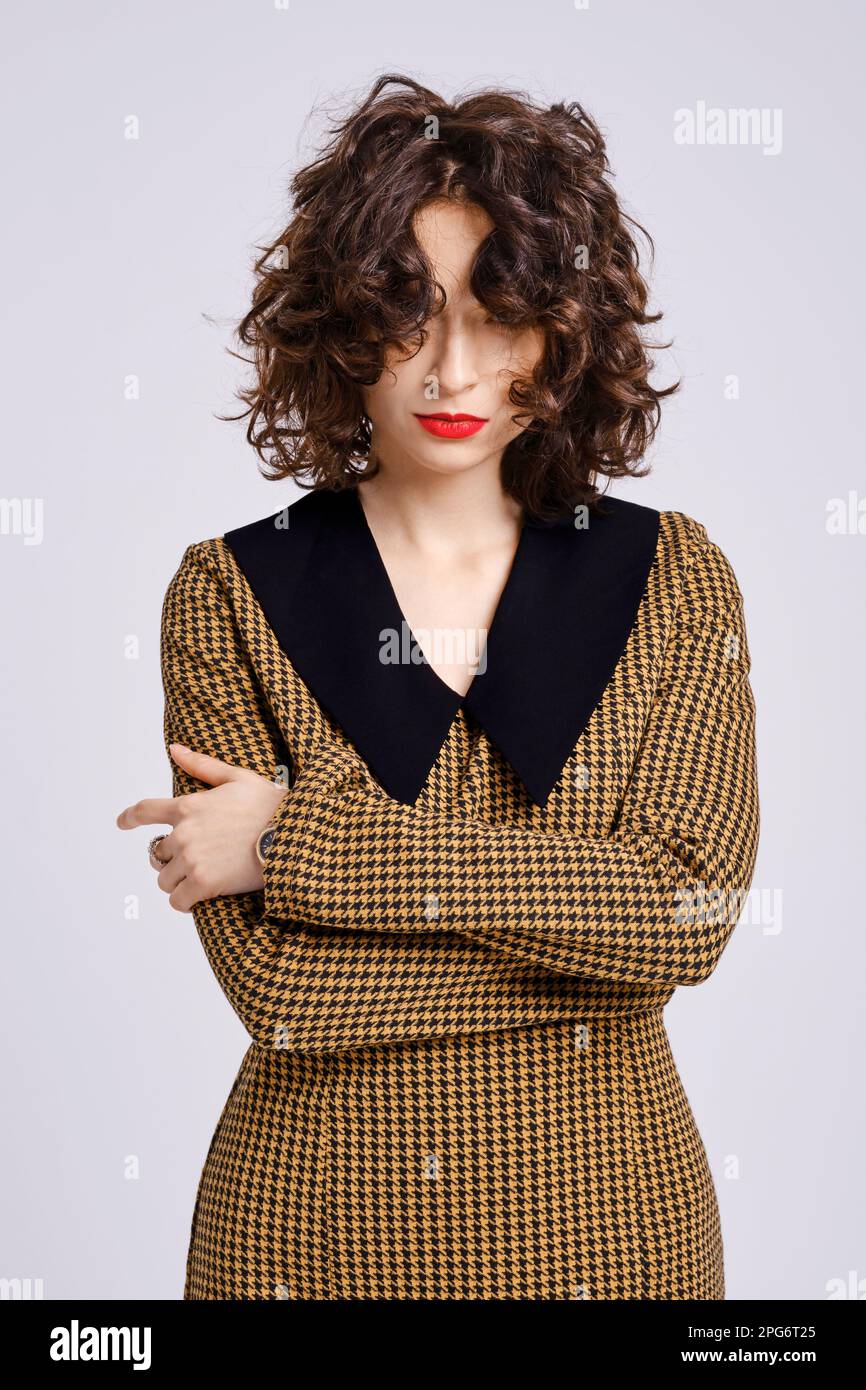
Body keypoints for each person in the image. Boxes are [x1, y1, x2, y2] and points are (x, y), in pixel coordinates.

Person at [117, 74, 760, 1300]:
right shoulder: (230, 594)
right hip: (304, 1245)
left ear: (564, 327)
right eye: (405, 310)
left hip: (616, 1243)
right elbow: (280, 993)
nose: (451, 368)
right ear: (336, 322)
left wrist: (295, 844)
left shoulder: (673, 578)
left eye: (498, 310)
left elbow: (686, 913)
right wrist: (588, 945)